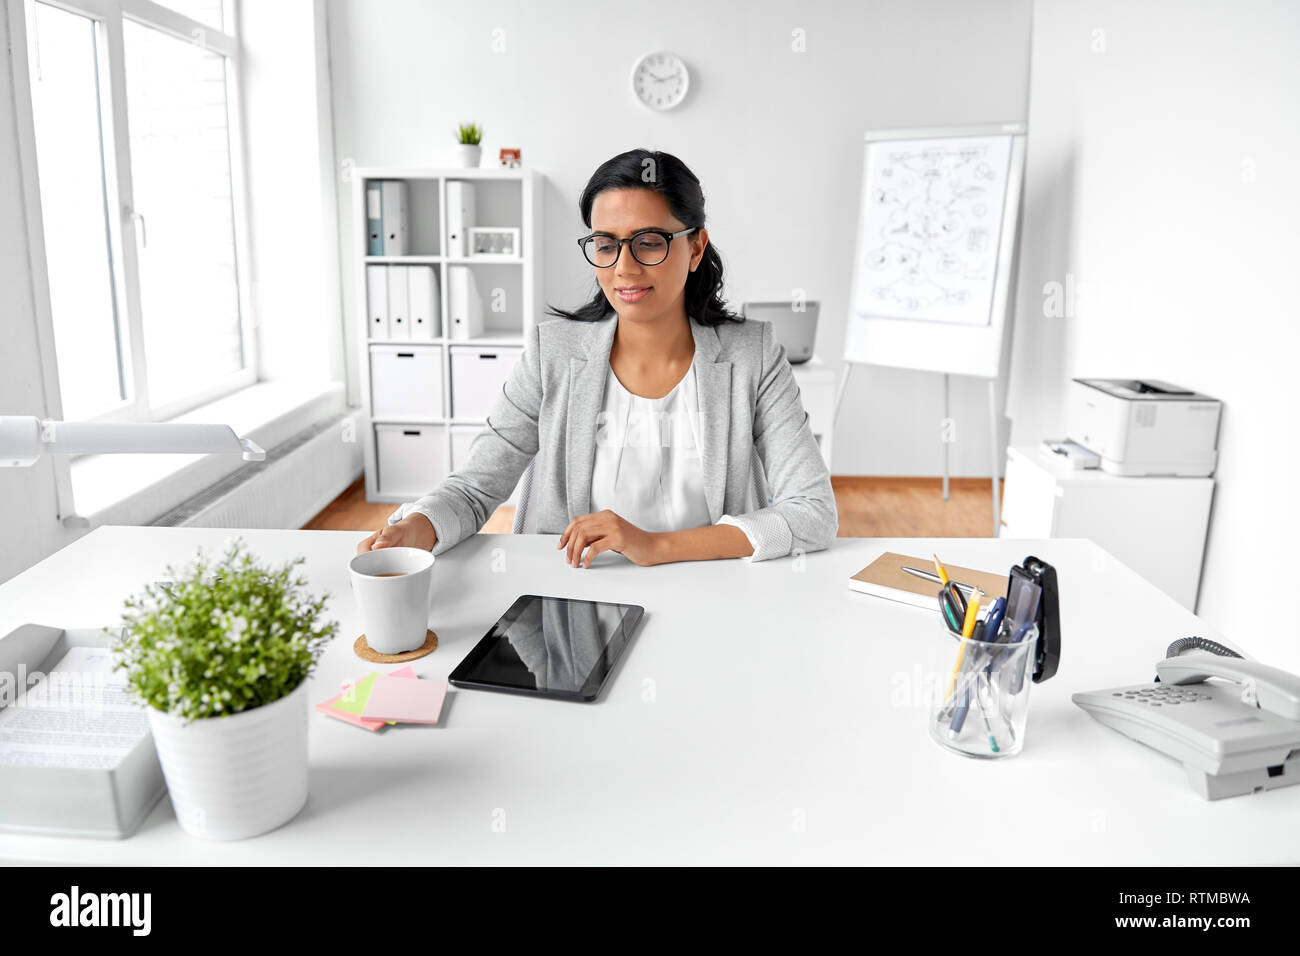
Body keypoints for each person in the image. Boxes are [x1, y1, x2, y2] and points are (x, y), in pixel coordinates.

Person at [357, 148, 837, 567]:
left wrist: (656, 546)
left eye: (649, 242)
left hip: (714, 593)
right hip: (573, 601)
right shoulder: (553, 353)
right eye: (606, 244)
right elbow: (474, 489)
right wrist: (416, 527)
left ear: (695, 247)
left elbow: (812, 512)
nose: (624, 267)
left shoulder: (752, 355)